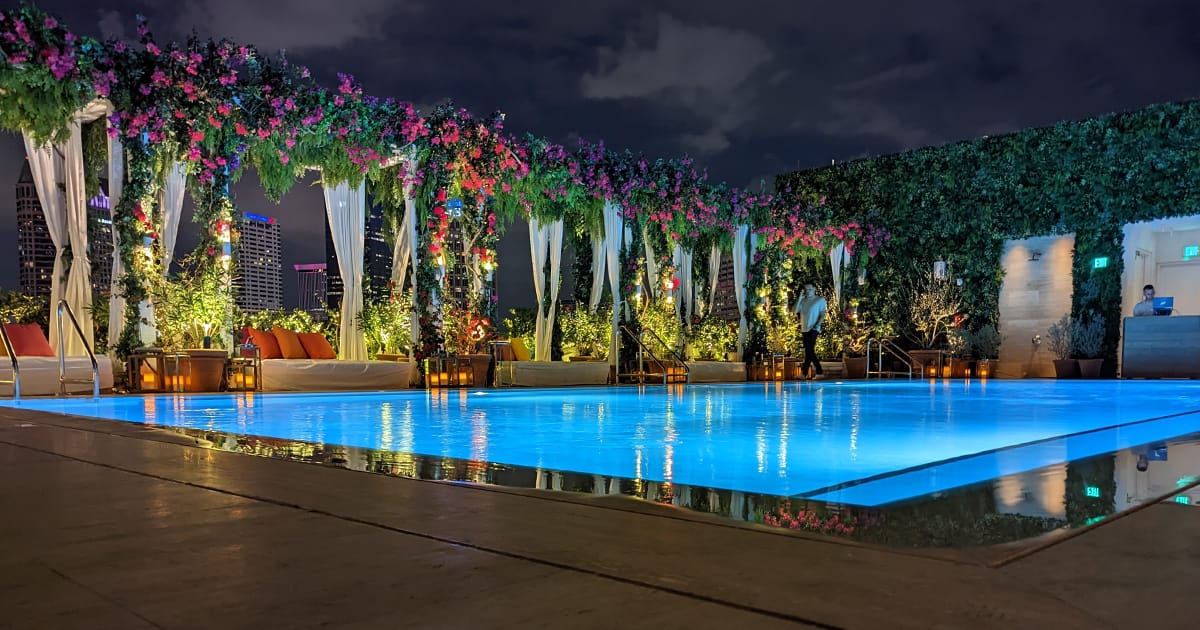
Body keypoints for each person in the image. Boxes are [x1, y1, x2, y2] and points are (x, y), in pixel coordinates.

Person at [793, 284, 828, 379]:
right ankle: (804, 374)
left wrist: (817, 325)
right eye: (806, 289)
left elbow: (823, 313)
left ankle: (819, 371)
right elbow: (794, 311)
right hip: (804, 329)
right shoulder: (803, 301)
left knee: (809, 350)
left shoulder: (820, 300)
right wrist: (800, 297)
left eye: (810, 289)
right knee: (809, 351)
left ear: (814, 289)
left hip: (813, 328)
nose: (808, 291)